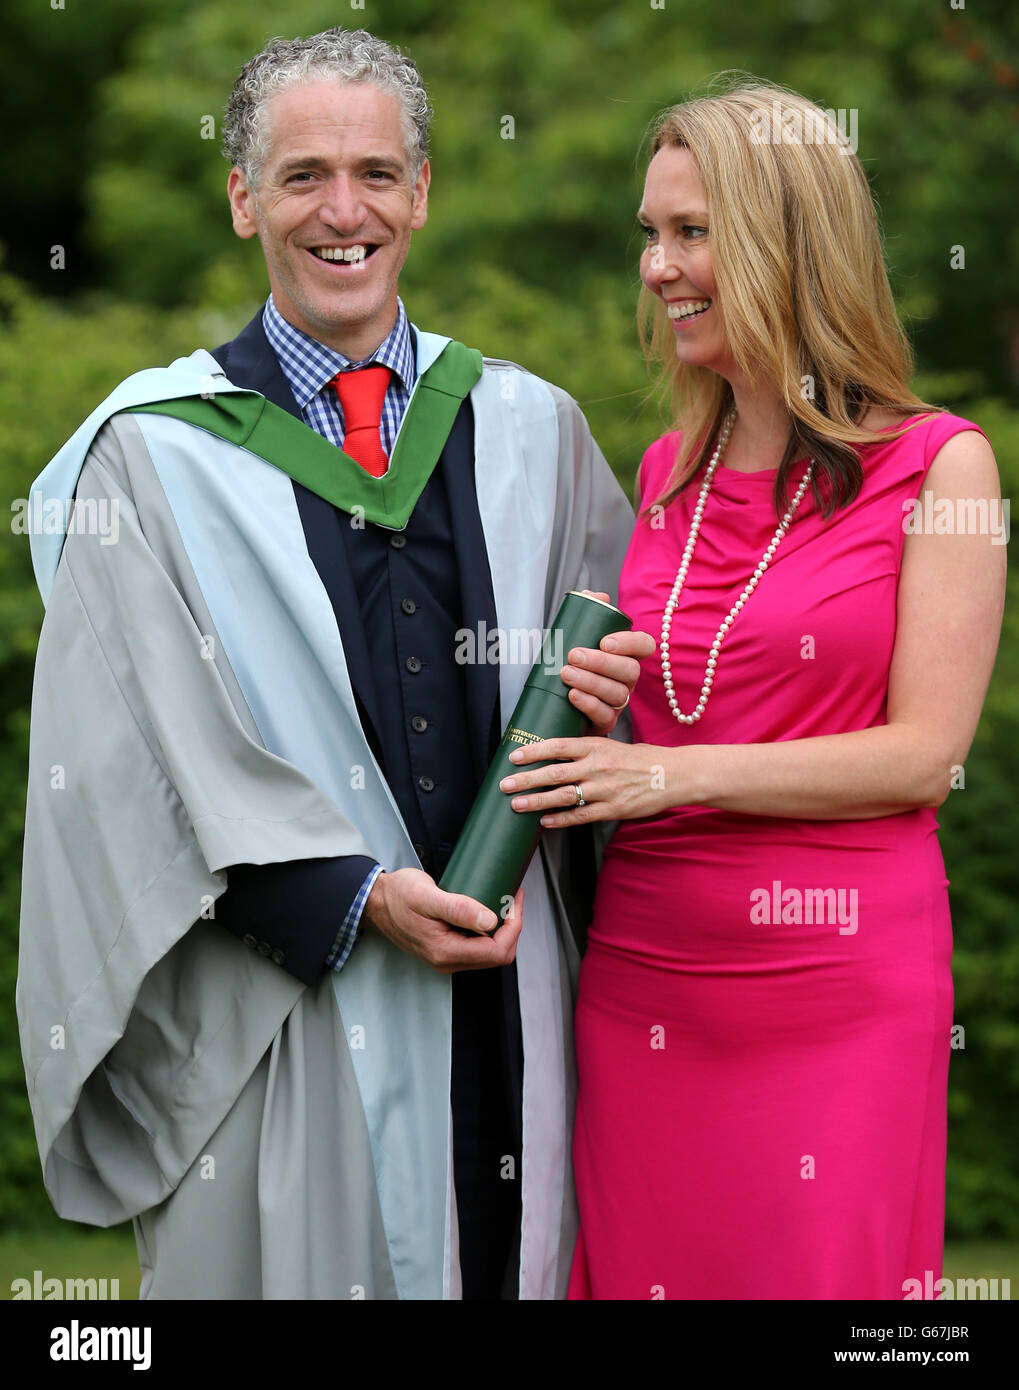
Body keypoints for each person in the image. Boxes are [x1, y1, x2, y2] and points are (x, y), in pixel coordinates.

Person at [16, 27, 653, 1301]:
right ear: (243, 196)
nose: (342, 210)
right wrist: (352, 899)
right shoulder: (151, 459)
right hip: (282, 1011)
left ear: (423, 193)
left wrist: (611, 721)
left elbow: (631, 725)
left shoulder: (531, 428)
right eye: (302, 174)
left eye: (375, 172)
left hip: (515, 998)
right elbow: (124, 769)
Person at [498, 80, 1006, 1299]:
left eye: (687, 233)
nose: (654, 267)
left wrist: (660, 773)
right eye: (648, 234)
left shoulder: (942, 465)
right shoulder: (668, 466)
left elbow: (922, 754)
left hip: (836, 983)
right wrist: (604, 700)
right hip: (647, 975)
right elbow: (695, 685)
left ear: (784, 241)